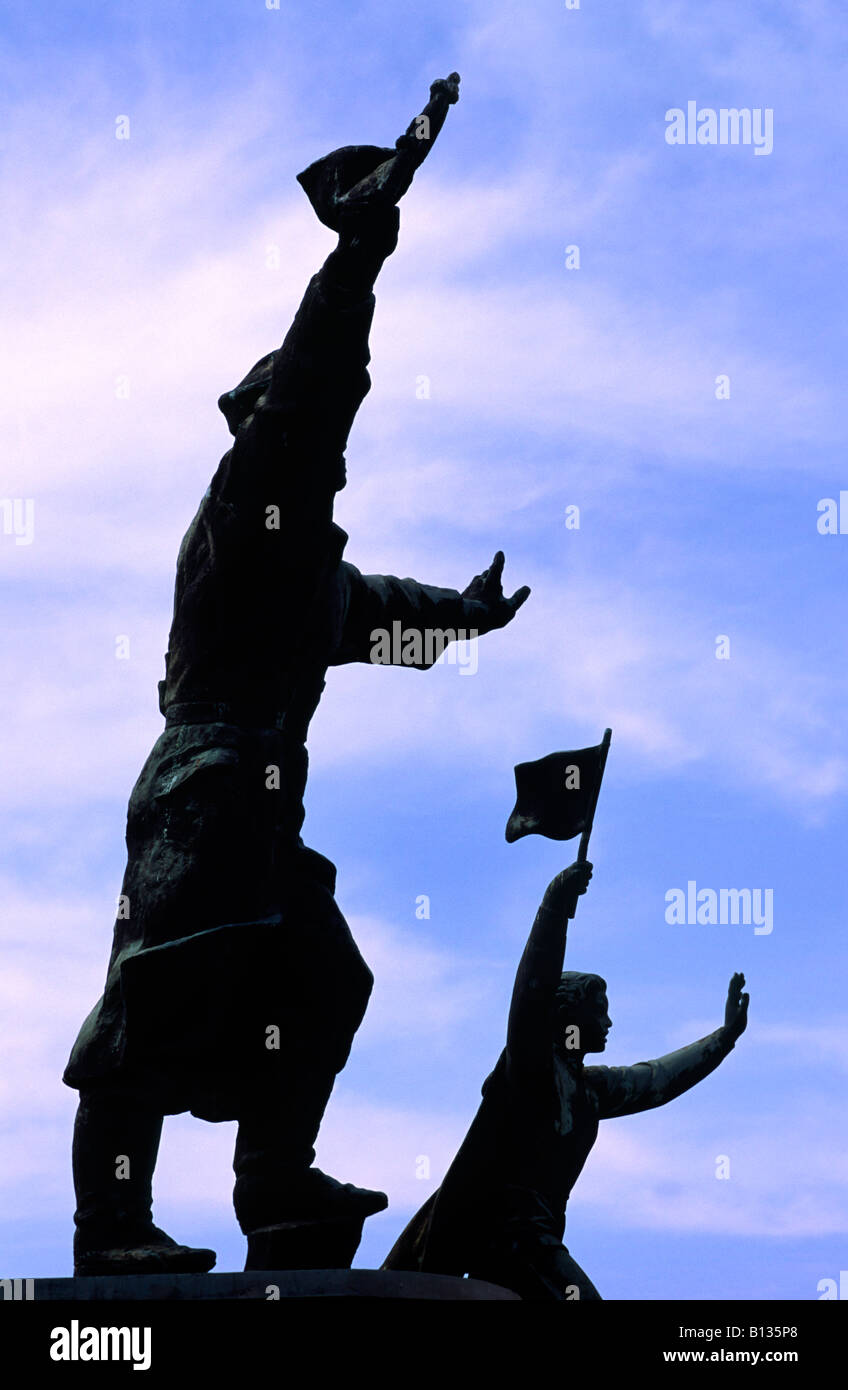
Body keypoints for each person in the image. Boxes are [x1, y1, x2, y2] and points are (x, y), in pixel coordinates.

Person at [63, 75, 531, 1275]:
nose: (327, 432)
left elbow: (384, 618)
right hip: (203, 790)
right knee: (157, 1003)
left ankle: (273, 1182)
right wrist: (361, 251)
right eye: (302, 421)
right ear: (260, 425)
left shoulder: (307, 570)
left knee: (321, 976)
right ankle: (109, 1227)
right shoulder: (246, 514)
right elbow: (321, 381)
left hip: (258, 805)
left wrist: (467, 618)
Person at [383, 861, 749, 1299]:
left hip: (538, 1240)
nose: (610, 1021)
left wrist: (723, 1039)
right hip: (511, 1242)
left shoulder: (589, 1089)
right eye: (599, 1009)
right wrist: (555, 908)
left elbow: (656, 1081)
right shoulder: (530, 1069)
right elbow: (531, 992)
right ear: (566, 1015)